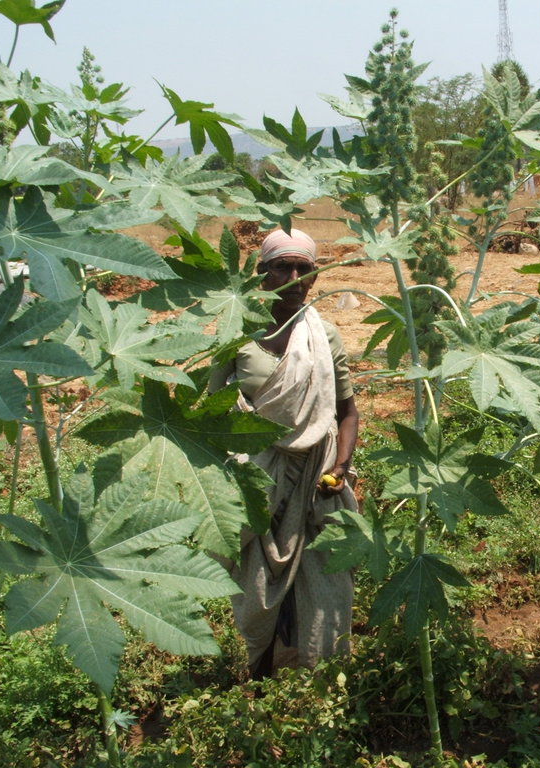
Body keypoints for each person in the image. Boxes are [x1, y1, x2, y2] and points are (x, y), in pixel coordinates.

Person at [209, 227, 359, 679]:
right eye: (282, 267)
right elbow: (211, 410)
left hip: (316, 475)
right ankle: (261, 670)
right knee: (256, 578)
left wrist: (341, 467)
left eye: (303, 269)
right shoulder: (237, 333)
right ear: (262, 273)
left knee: (322, 575)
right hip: (255, 478)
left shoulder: (324, 336)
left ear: (315, 276)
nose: (294, 278)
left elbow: (347, 412)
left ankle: (317, 673)